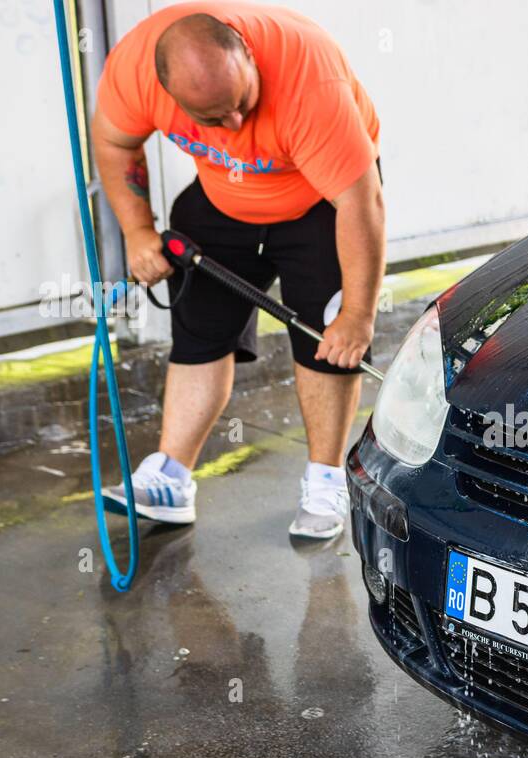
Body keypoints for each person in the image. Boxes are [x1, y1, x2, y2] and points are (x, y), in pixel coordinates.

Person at [92, 2, 384, 539]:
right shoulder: (134, 70)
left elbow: (360, 203)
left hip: (322, 204)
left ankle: (325, 481)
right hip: (225, 197)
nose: (234, 123)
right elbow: (114, 143)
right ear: (168, 95)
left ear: (247, 55)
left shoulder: (307, 79)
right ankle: (172, 479)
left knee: (328, 341)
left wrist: (360, 313)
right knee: (199, 334)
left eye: (241, 103)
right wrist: (137, 231)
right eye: (211, 118)